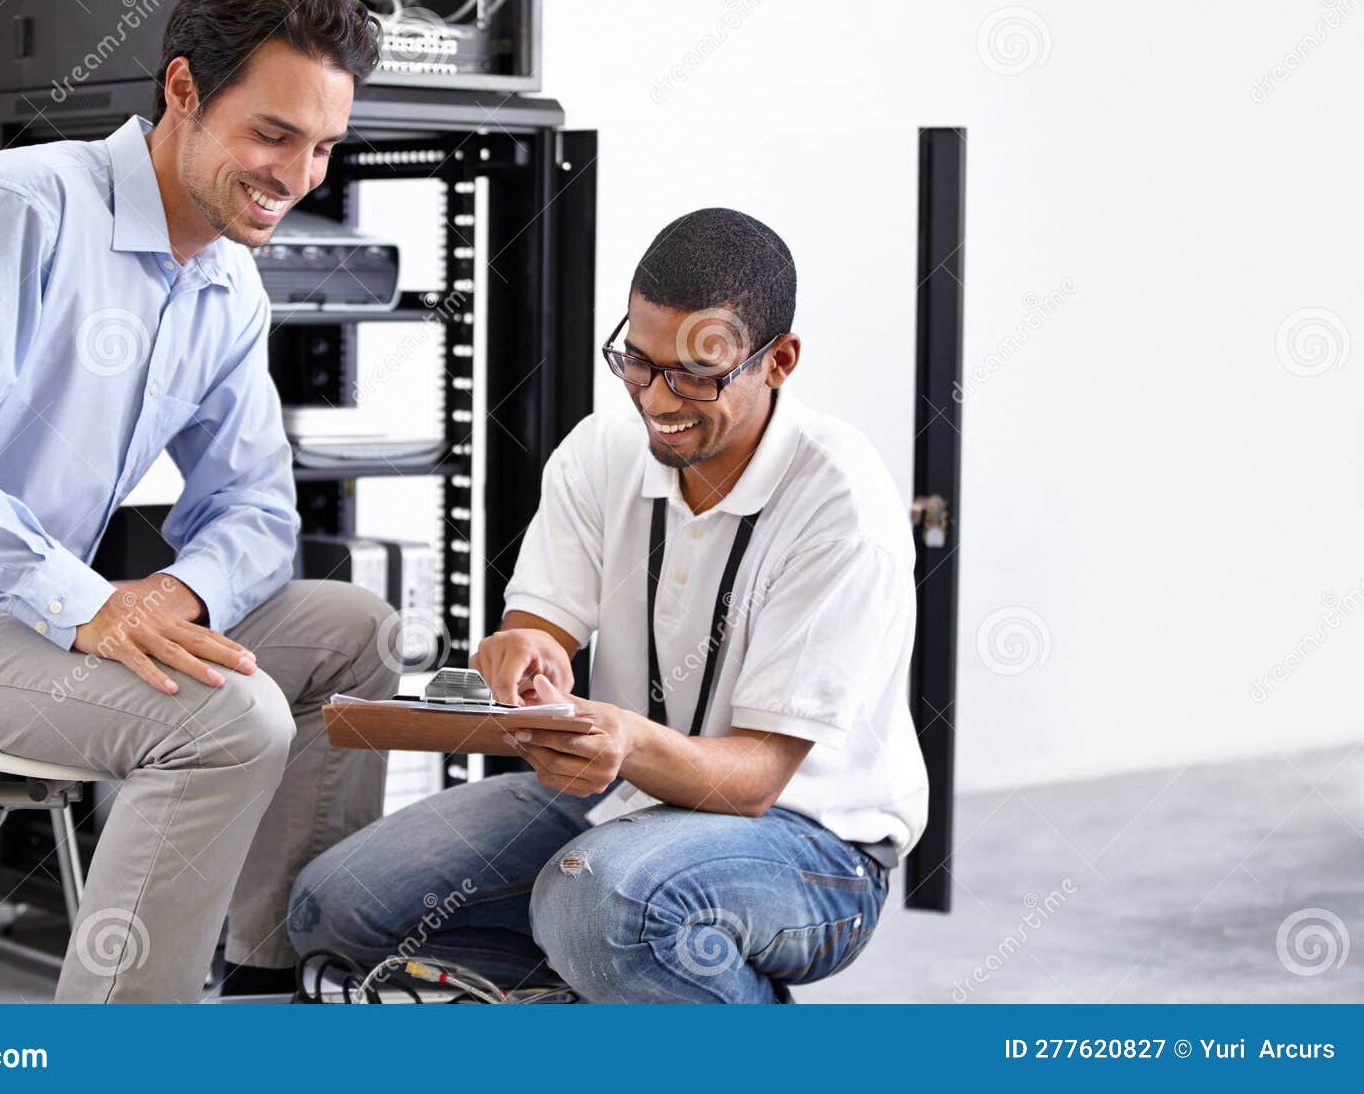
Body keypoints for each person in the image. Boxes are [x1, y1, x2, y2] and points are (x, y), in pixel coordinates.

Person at [0, 0, 393, 1003]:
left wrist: (178, 594)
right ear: (184, 89)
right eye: (273, 134)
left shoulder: (227, 285)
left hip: (24, 621)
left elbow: (254, 507)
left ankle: (264, 991)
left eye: (323, 146)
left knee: (352, 632)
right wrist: (80, 600)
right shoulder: (16, 207)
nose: (298, 175)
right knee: (228, 720)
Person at [288, 208, 930, 1003]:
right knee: (333, 907)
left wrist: (623, 741)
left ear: (779, 361)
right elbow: (540, 622)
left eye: (696, 375)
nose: (657, 400)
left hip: (812, 843)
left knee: (596, 905)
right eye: (638, 363)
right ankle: (625, 997)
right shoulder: (603, 450)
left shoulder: (840, 505)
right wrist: (526, 654)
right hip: (626, 800)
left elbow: (756, 780)